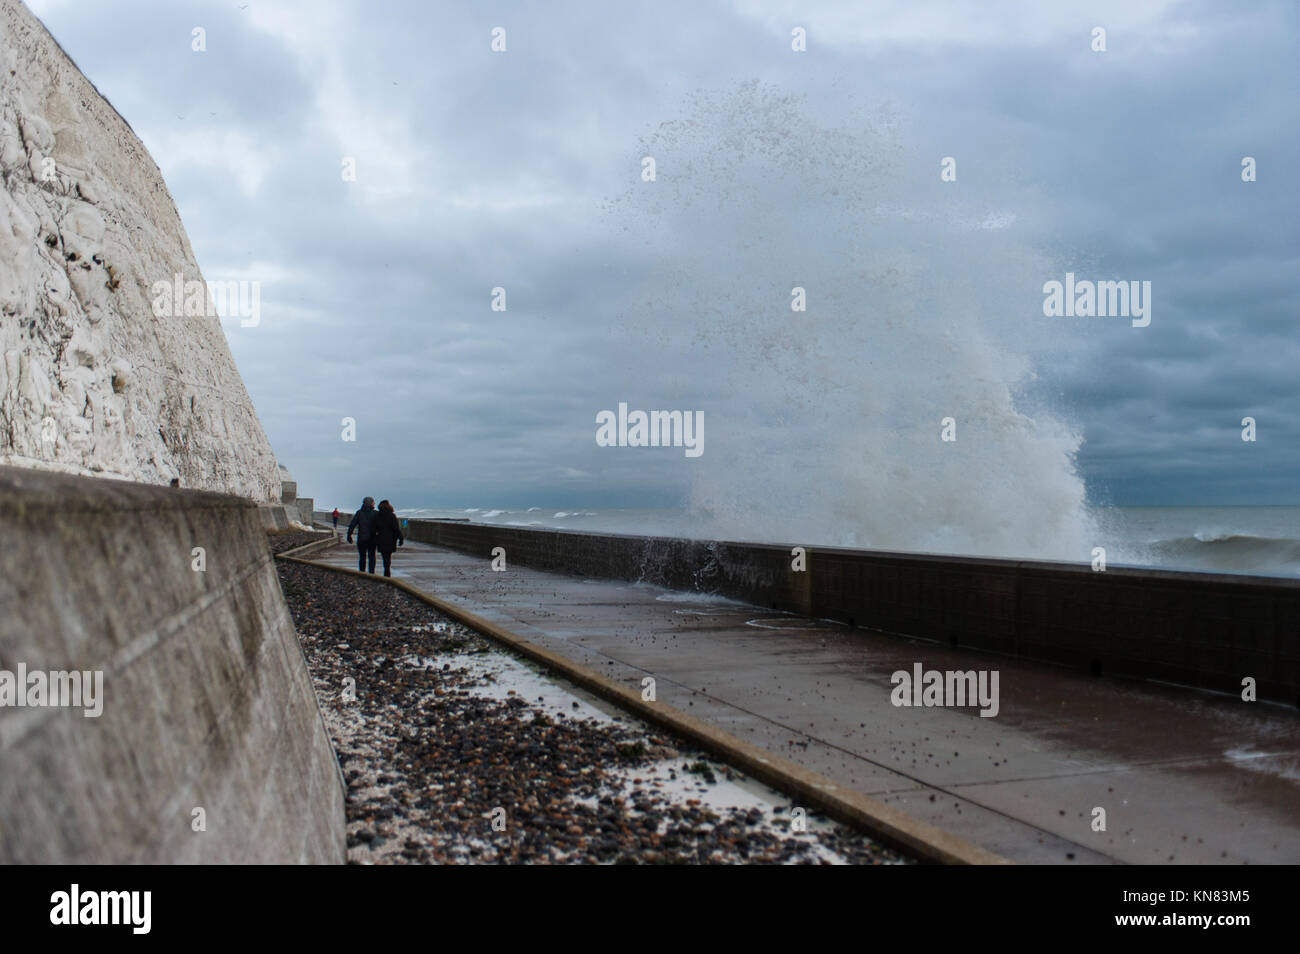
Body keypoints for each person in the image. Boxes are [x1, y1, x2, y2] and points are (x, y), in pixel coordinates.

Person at [346, 497, 379, 573]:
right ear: (370, 503)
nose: (374, 503)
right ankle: (371, 573)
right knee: (372, 557)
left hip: (362, 538)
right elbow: (380, 526)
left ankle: (362, 573)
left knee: (362, 557)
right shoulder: (375, 513)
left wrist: (349, 535)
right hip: (372, 539)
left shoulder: (359, 513)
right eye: (373, 502)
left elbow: (352, 524)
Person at [374, 499, 405, 577]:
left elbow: (375, 527)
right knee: (388, 556)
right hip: (391, 539)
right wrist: (400, 538)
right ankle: (387, 570)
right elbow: (396, 528)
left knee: (384, 556)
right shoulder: (392, 516)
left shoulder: (378, 515)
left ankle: (386, 569)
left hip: (381, 538)